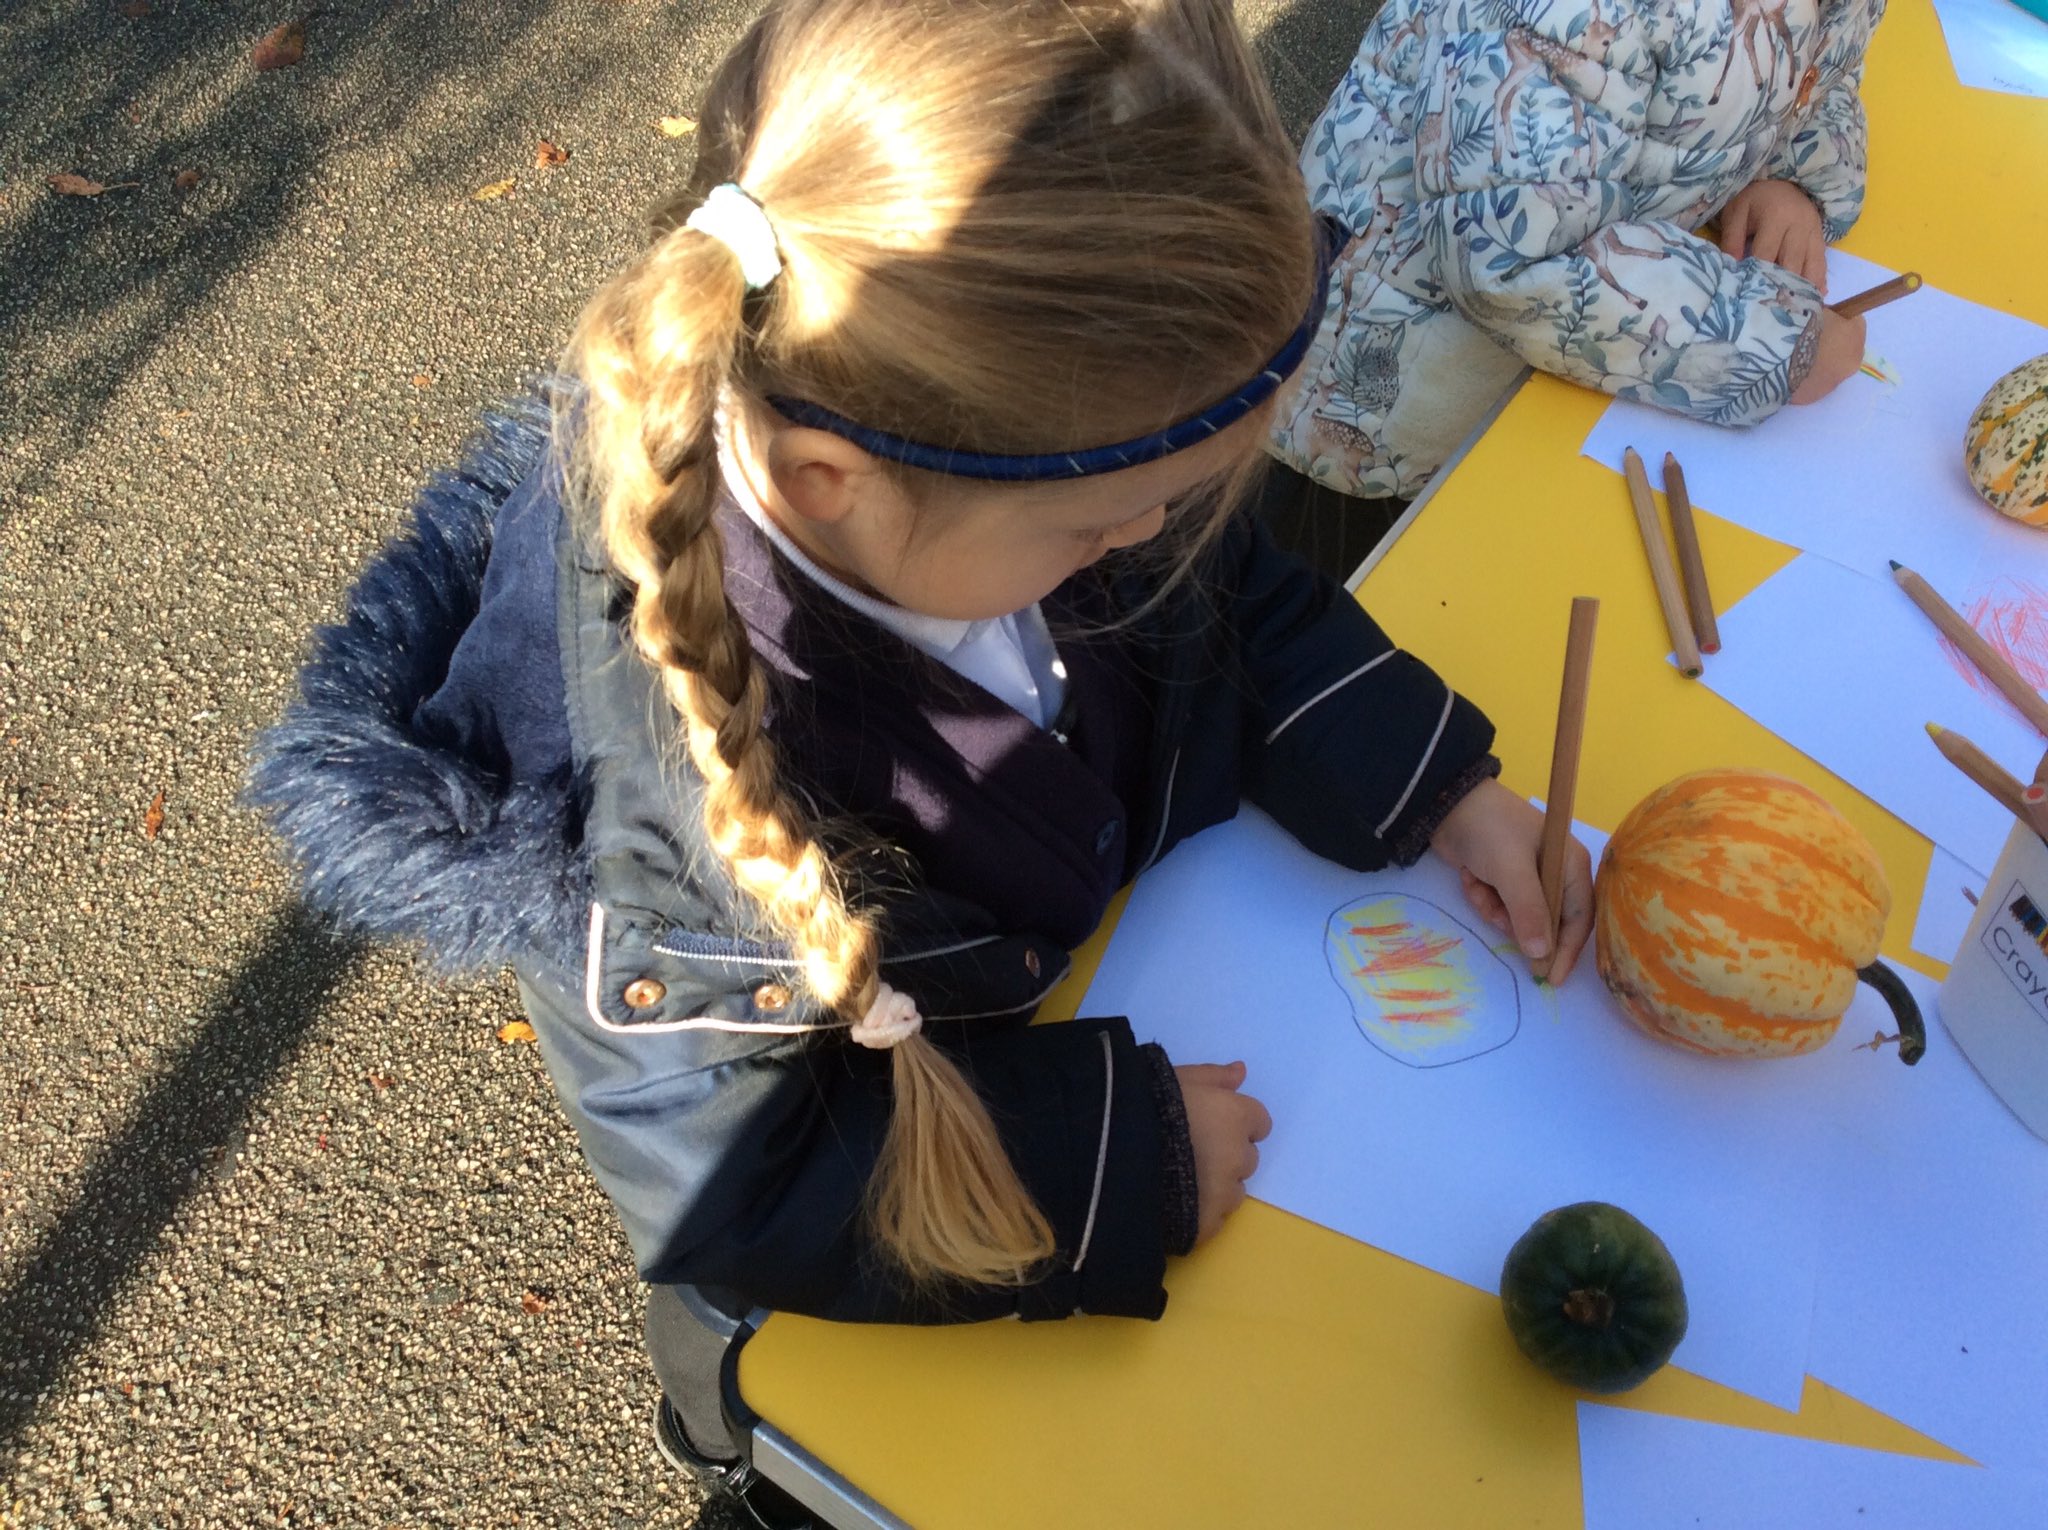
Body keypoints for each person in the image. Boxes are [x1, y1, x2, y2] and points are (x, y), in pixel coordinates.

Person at [248, 2, 1594, 1523]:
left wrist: (1428, 775)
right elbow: (740, 1177)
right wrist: (1107, 1166)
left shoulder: (997, 458)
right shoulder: (646, 795)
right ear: (834, 482)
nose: (1146, 541)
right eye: (1106, 522)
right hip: (878, 1301)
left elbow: (1218, 601)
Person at [1269, 0, 1886, 501]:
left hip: (1561, 363)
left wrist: (1791, 175)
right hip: (1373, 394)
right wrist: (1778, 347)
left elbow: (1822, 65)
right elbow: (1509, 250)